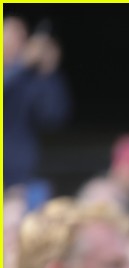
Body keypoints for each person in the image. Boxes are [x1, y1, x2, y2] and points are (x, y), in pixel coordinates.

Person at [3, 16, 71, 193]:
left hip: (21, 180)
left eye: (23, 37)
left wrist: (47, 73)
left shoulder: (30, 79)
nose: (20, 43)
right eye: (14, 36)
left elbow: (53, 117)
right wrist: (21, 64)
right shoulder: (17, 72)